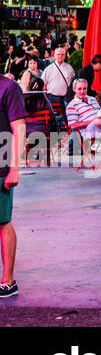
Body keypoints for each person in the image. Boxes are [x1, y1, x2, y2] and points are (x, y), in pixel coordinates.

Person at [0, 71, 24, 297]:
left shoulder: (9, 87)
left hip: (1, 165)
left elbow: (19, 129)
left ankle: (8, 280)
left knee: (2, 221)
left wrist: (14, 168)